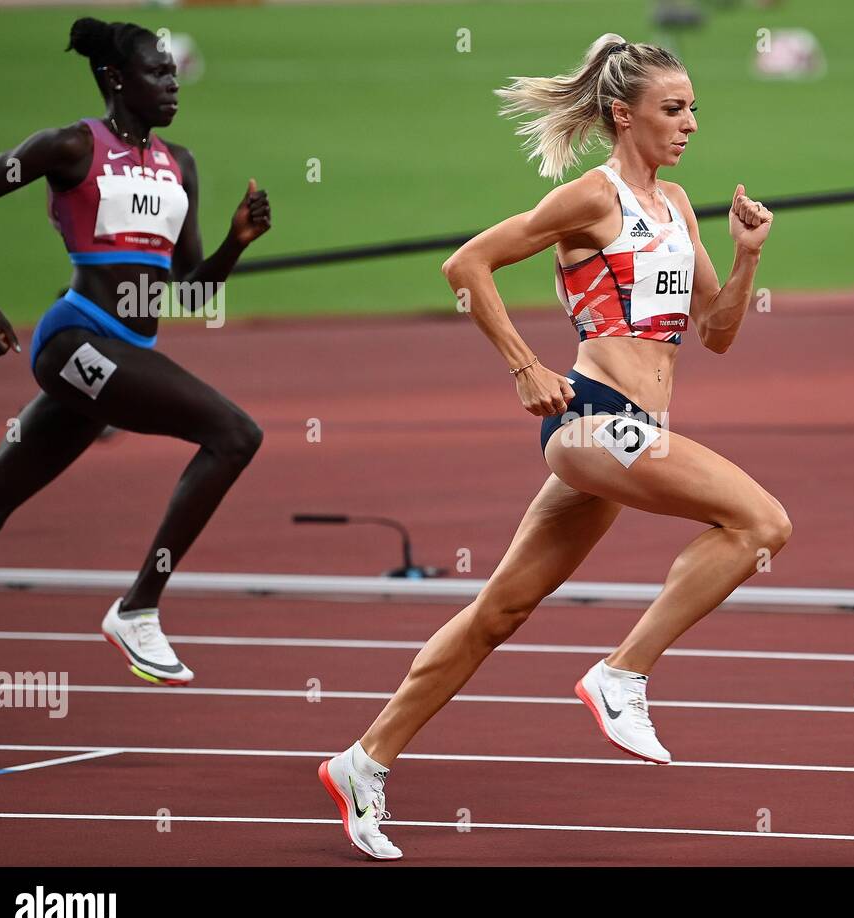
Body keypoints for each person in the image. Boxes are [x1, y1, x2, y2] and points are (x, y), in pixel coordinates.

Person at [319, 33, 783, 860]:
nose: (690, 124)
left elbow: (715, 334)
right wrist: (525, 365)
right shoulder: (590, 199)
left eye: (694, 109)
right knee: (761, 524)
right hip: (590, 419)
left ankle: (363, 761)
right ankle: (622, 674)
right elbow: (468, 265)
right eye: (673, 109)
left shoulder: (677, 206)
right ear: (622, 113)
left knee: (498, 612)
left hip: (633, 436)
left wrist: (747, 258)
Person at [0, 17, 272, 682]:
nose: (172, 83)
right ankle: (138, 608)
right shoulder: (70, 147)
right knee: (234, 433)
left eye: (172, 72)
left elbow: (192, 297)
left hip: (122, 350)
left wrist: (235, 243)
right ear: (114, 79)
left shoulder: (177, 164)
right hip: (74, 339)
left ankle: (136, 609)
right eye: (156, 73)